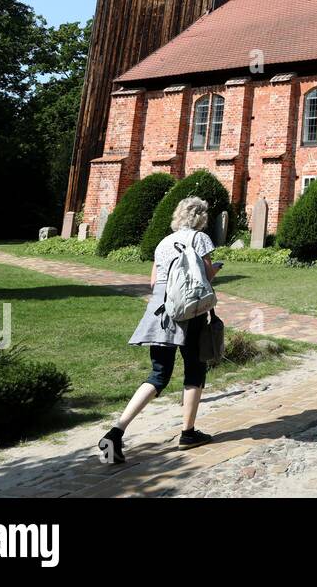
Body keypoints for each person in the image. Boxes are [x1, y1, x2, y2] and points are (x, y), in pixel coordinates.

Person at [98, 196, 222, 464]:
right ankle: (188, 433)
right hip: (189, 312)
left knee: (158, 374)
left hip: (160, 311)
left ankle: (116, 432)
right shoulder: (200, 239)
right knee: (195, 369)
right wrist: (216, 269)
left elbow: (155, 281)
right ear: (200, 217)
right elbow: (207, 276)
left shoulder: (163, 242)